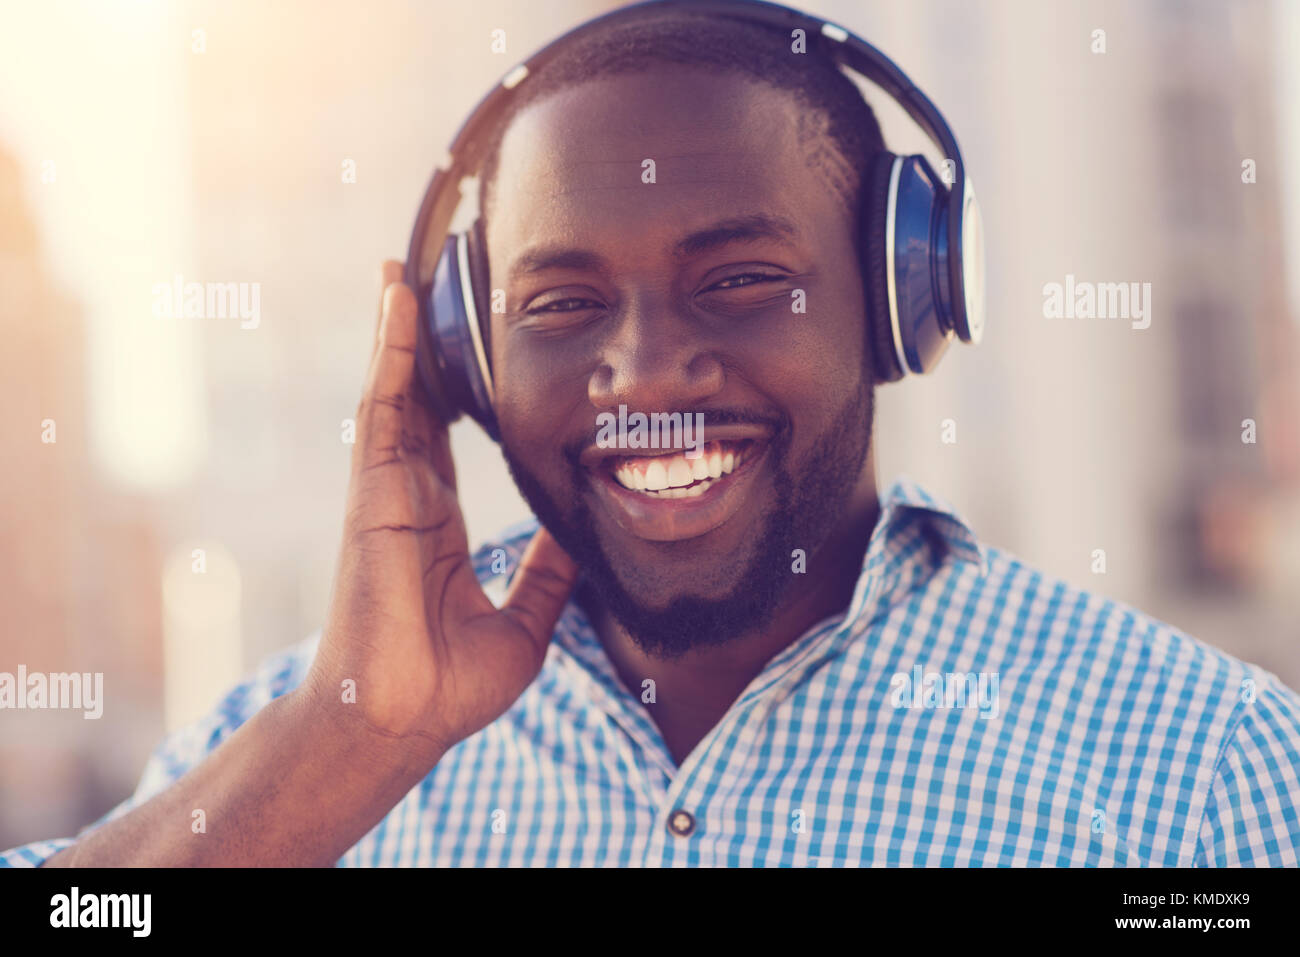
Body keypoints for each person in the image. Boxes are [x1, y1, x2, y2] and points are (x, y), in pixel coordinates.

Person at [4, 4, 1297, 868]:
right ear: (463, 355)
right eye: (562, 305)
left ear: (906, 297)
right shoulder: (287, 755)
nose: (642, 366)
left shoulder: (1197, 769)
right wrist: (350, 748)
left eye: (739, 279)